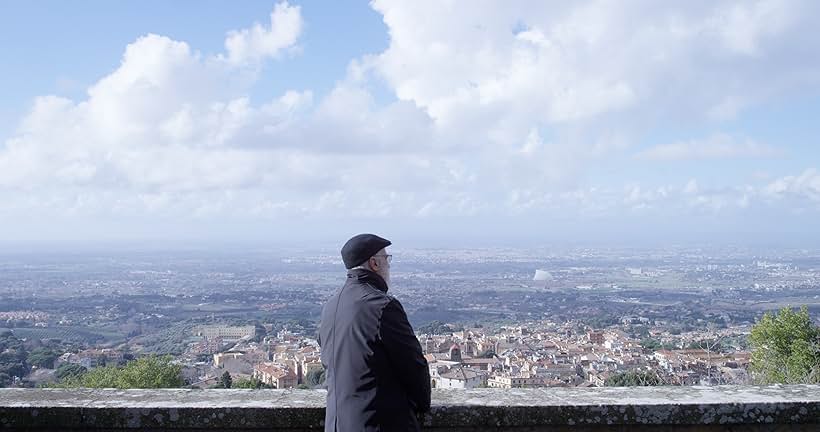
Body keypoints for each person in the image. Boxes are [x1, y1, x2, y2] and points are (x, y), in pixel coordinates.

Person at [319, 233, 431, 431]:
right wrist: (422, 406)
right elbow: (413, 365)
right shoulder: (382, 307)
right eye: (386, 259)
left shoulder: (331, 306)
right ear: (374, 263)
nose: (389, 265)